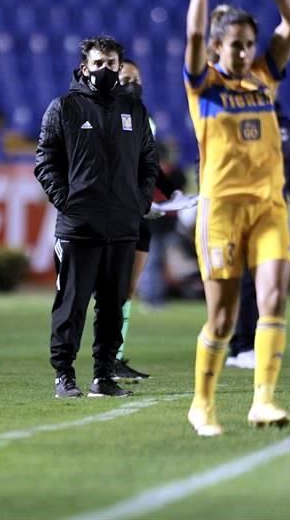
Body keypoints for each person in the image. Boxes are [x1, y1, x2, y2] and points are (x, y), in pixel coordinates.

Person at [183, 0, 290, 436]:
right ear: (215, 48)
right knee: (224, 320)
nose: (243, 52)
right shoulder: (203, 84)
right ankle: (202, 404)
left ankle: (264, 401)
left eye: (249, 44)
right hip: (222, 210)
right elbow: (189, 37)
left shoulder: (264, 77)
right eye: (234, 45)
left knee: (273, 299)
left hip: (269, 207)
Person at [35, 36, 158, 399]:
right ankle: (64, 376)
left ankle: (103, 376)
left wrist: (138, 201)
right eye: (99, 63)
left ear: (120, 67)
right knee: (71, 304)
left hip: (122, 226)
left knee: (112, 306)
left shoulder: (134, 110)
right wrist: (66, 201)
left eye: (112, 63)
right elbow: (45, 161)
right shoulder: (64, 107)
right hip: (79, 228)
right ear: (85, 66)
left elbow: (148, 162)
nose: (106, 69)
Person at [108, 59, 185, 381]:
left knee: (126, 290)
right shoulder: (103, 116)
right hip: (114, 212)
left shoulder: (145, 119)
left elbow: (148, 165)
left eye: (136, 78)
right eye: (126, 77)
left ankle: (116, 356)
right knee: (106, 290)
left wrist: (172, 193)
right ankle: (85, 364)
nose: (132, 83)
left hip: (139, 212)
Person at [226, 100, 290, 369]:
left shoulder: (285, 126)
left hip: (276, 210)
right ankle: (242, 345)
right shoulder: (236, 120)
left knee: (271, 279)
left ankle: (254, 343)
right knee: (247, 279)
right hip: (241, 209)